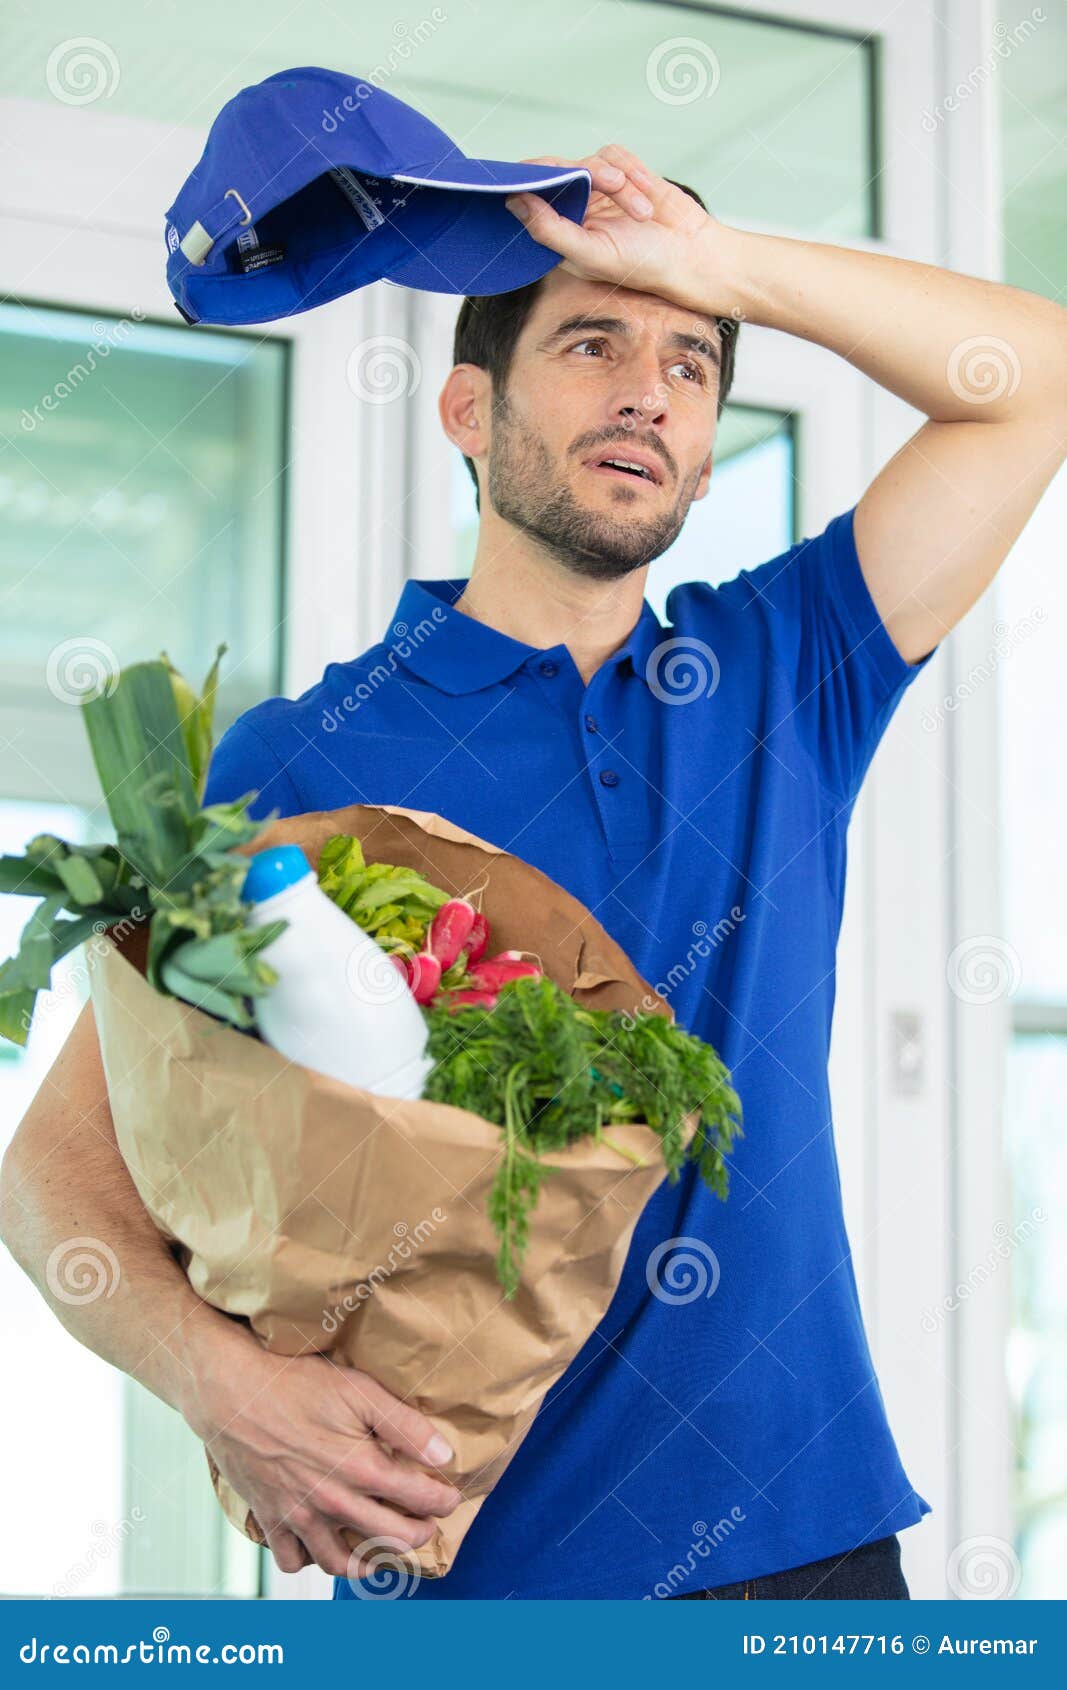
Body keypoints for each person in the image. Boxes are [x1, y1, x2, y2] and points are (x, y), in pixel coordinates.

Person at [3, 145, 1065, 1602]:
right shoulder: (301, 756)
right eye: (592, 342)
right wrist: (220, 1384)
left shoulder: (778, 670)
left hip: (809, 1554)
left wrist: (721, 260)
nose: (649, 389)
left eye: (692, 362)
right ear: (467, 406)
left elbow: (1036, 376)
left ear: (706, 441)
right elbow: (59, 1171)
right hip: (473, 1580)